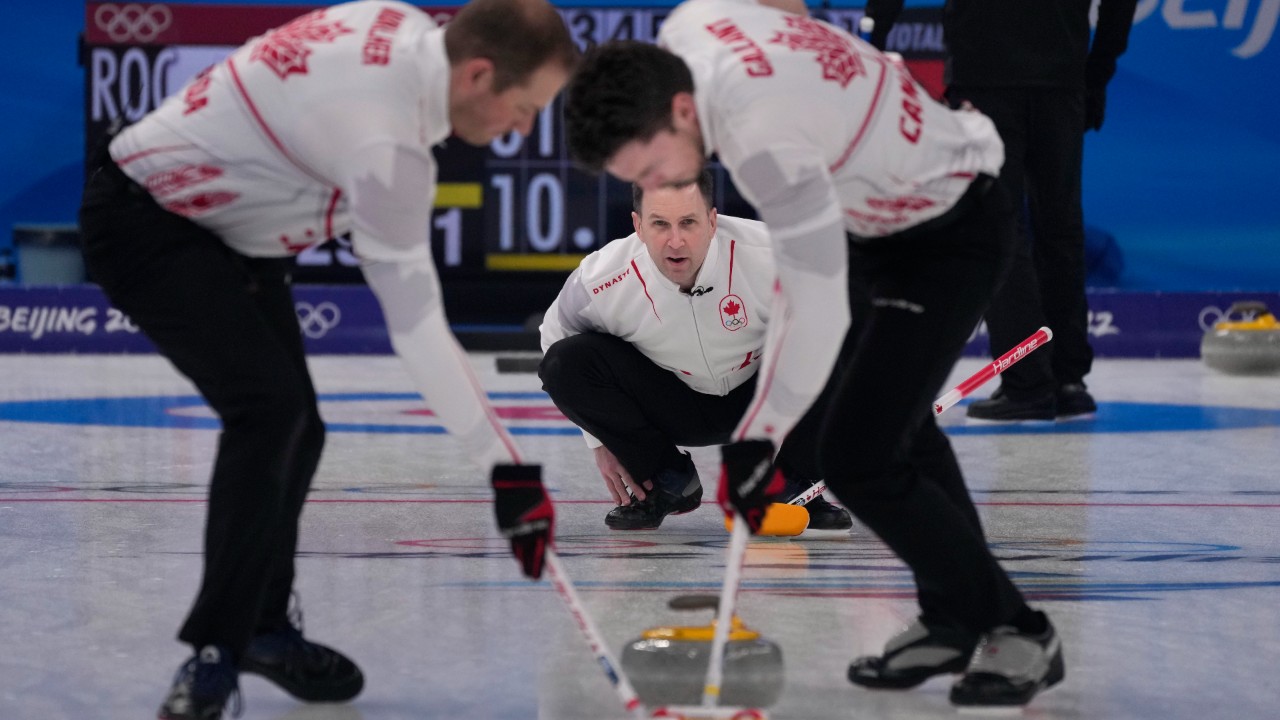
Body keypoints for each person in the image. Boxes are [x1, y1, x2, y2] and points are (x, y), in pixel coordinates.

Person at [76, 1, 575, 718]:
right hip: (149, 222)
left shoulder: (399, 25)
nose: (522, 129)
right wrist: (508, 470)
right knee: (267, 412)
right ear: (478, 74)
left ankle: (264, 628)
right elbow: (417, 326)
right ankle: (215, 652)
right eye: (525, 109)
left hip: (234, 228)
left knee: (299, 427)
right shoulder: (388, 145)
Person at [563, 0, 1063, 709]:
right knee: (903, 428)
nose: (661, 181)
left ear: (678, 107)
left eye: (653, 161)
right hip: (876, 215)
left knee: (858, 456)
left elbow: (817, 309)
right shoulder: (690, 27)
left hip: (950, 227)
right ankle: (955, 618)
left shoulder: (764, 140)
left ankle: (1023, 630)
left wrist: (757, 439)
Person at [866, 0, 1138, 421]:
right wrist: (1096, 73)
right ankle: (1066, 379)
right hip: (1060, 75)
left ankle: (1029, 379)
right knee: (1059, 227)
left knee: (999, 226)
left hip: (985, 72)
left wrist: (876, 39)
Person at [538, 170, 852, 532]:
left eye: (688, 222)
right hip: (672, 406)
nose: (675, 242)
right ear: (638, 226)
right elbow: (553, 337)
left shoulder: (776, 255)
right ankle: (666, 481)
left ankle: (794, 485)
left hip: (764, 400)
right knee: (564, 362)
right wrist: (599, 441)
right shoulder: (603, 278)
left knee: (843, 331)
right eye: (660, 224)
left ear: (713, 221)